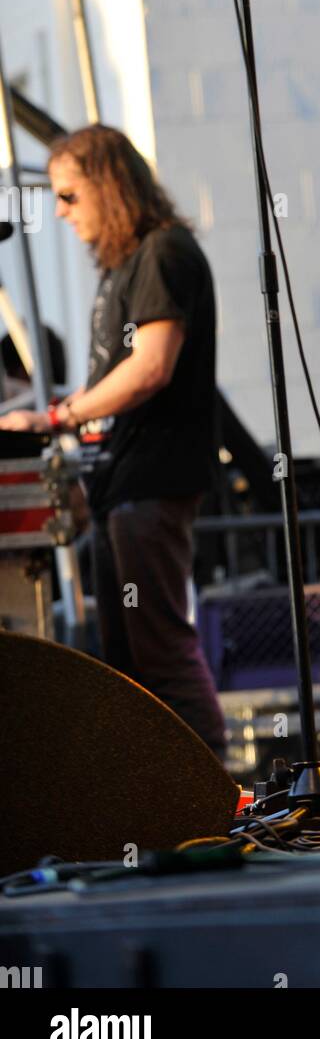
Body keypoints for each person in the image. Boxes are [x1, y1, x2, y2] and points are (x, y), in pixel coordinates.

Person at [0, 124, 226, 757]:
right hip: (119, 487)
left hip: (151, 481)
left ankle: (214, 802)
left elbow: (150, 367)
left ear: (109, 185)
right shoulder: (123, 268)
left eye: (69, 196)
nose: (62, 213)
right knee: (128, 662)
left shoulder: (163, 253)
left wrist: (57, 416)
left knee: (161, 652)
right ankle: (156, 807)